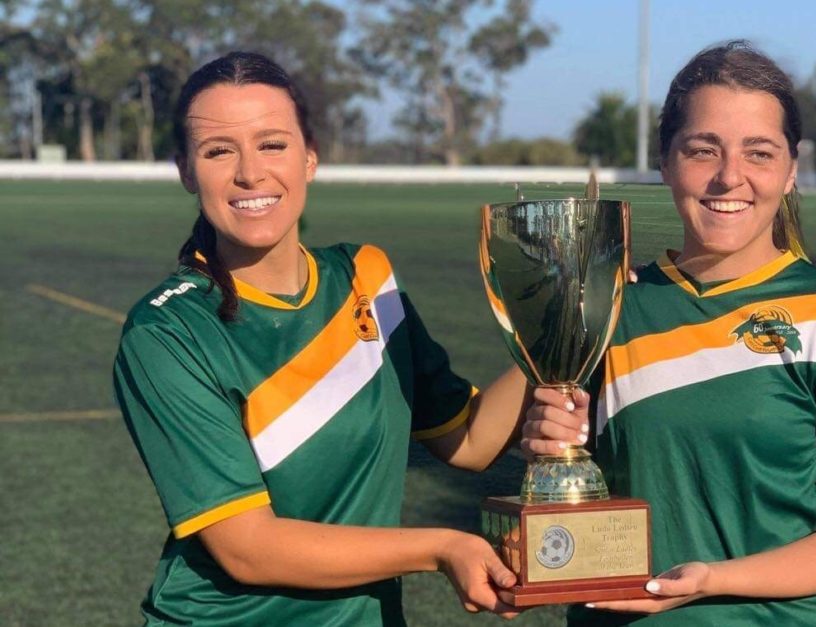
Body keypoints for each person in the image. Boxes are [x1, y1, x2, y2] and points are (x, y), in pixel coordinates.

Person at [112, 51, 529, 626]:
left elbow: (468, 440)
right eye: (218, 151)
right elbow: (247, 548)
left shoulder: (367, 276)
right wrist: (440, 547)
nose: (250, 173)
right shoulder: (167, 332)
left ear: (309, 158)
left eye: (272, 144)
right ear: (186, 170)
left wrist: (567, 330)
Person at [521, 40, 816, 626]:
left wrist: (711, 581)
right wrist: (549, 422)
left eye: (759, 153)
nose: (730, 177)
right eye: (704, 150)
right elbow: (479, 446)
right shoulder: (610, 307)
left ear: (790, 171)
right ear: (666, 162)